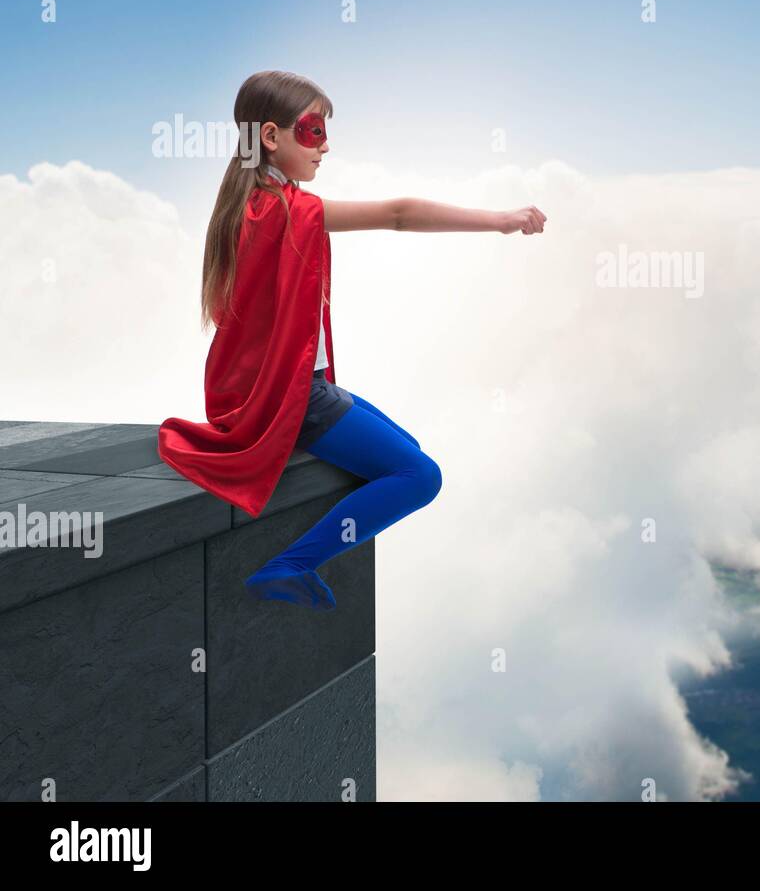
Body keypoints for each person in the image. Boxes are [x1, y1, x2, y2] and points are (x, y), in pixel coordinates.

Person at [157, 69, 546, 610]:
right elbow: (399, 215)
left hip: (294, 391)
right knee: (420, 476)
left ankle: (293, 559)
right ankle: (290, 565)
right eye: (313, 131)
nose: (325, 146)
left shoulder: (254, 204)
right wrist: (500, 220)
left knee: (405, 451)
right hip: (298, 400)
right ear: (271, 137)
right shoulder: (288, 210)